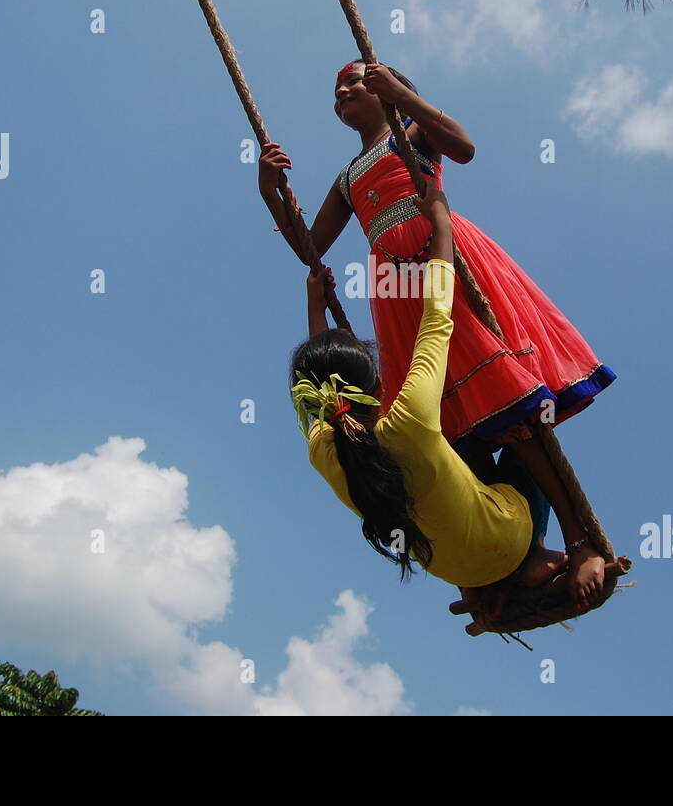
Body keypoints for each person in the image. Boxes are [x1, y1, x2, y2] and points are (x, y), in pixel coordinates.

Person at [263, 59, 616, 608]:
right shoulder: (347, 176)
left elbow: (464, 146)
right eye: (338, 89)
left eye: (357, 80)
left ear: (390, 88)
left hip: (444, 259)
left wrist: (405, 98)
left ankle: (578, 542)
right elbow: (310, 249)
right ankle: (495, 570)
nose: (345, 90)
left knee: (513, 410)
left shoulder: (413, 135)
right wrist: (271, 193)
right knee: (447, 433)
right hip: (395, 292)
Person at [291, 185, 568, 616]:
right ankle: (535, 554)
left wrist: (316, 308)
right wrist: (441, 224)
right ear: (379, 387)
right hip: (505, 541)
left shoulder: (322, 448)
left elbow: (315, 393)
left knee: (451, 455)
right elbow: (437, 316)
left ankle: (481, 587)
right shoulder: (409, 419)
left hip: (453, 567)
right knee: (526, 420)